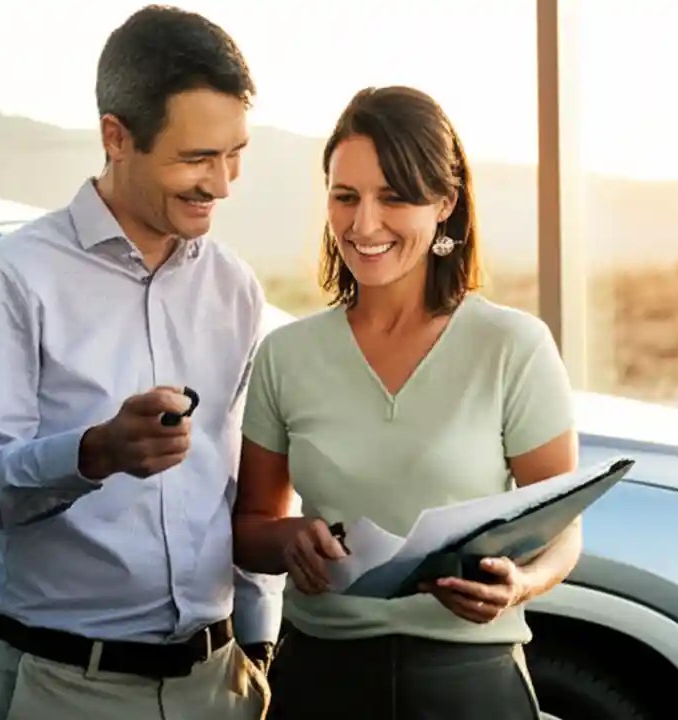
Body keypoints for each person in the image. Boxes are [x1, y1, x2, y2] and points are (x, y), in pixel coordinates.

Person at [0, 6, 281, 719]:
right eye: (196, 159)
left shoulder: (235, 287)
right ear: (115, 137)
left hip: (221, 686)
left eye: (234, 153)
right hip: (68, 688)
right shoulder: (12, 279)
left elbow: (245, 479)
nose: (221, 185)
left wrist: (260, 639)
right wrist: (93, 453)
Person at [232, 85, 581, 719]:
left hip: (470, 685)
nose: (364, 225)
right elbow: (250, 525)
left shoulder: (512, 346)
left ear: (445, 203)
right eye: (346, 197)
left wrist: (520, 585)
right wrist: (290, 541)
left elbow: (563, 529)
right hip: (319, 683)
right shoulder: (286, 355)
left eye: (393, 197)